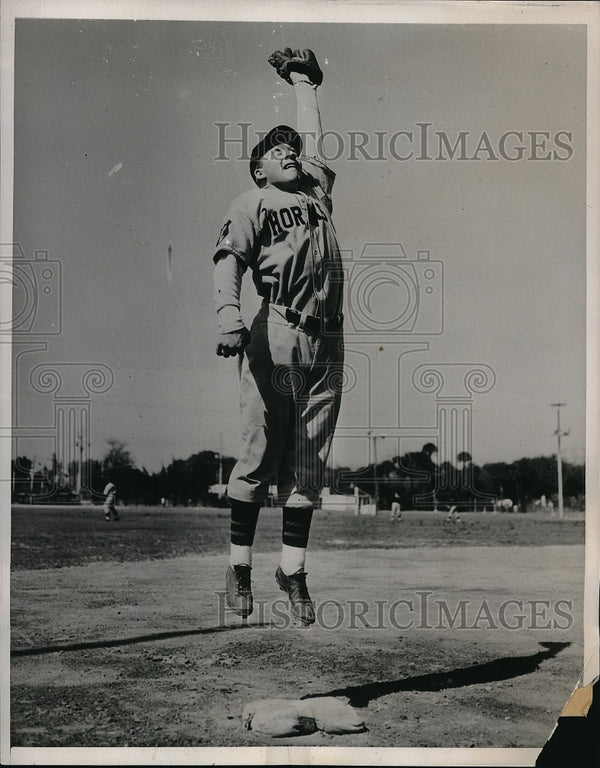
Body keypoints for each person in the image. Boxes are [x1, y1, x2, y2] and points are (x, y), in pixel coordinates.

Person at [213, 49, 344, 625]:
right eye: (273, 150)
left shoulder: (315, 195)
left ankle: (291, 571)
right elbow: (228, 260)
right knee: (260, 456)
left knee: (309, 466)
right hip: (277, 329)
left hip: (328, 341)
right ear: (257, 168)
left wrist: (303, 83)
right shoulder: (253, 201)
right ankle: (239, 566)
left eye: (289, 148)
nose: (287, 152)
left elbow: (312, 139)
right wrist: (228, 317)